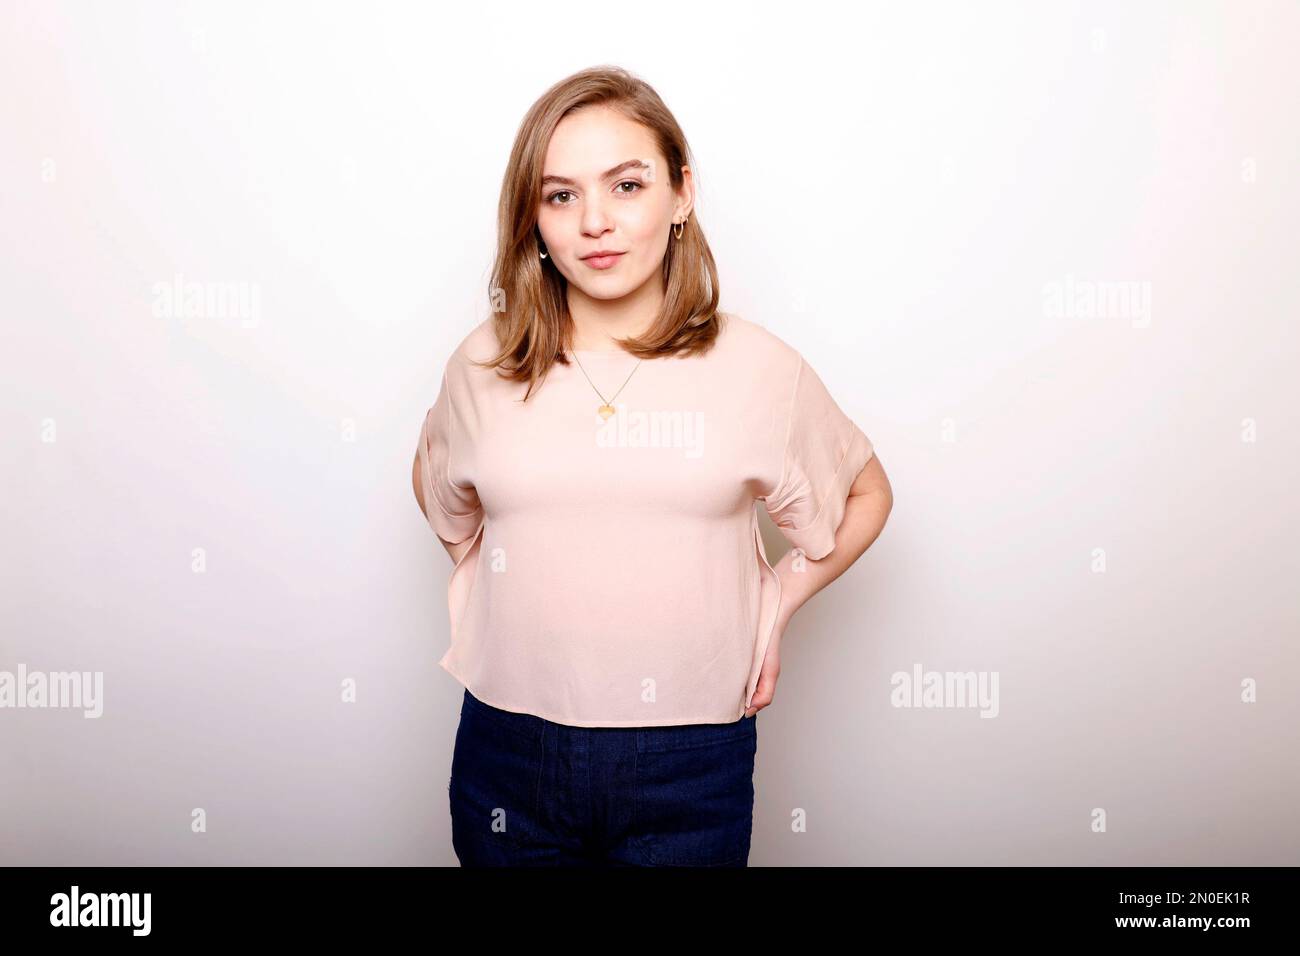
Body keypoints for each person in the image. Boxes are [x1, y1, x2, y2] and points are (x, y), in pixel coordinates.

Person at [412, 65, 893, 867]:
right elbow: (445, 506)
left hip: (690, 760)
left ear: (682, 192)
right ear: (532, 218)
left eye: (626, 185)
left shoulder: (757, 367)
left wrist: (776, 602)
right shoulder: (483, 364)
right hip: (508, 753)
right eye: (560, 195)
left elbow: (867, 492)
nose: (594, 222)